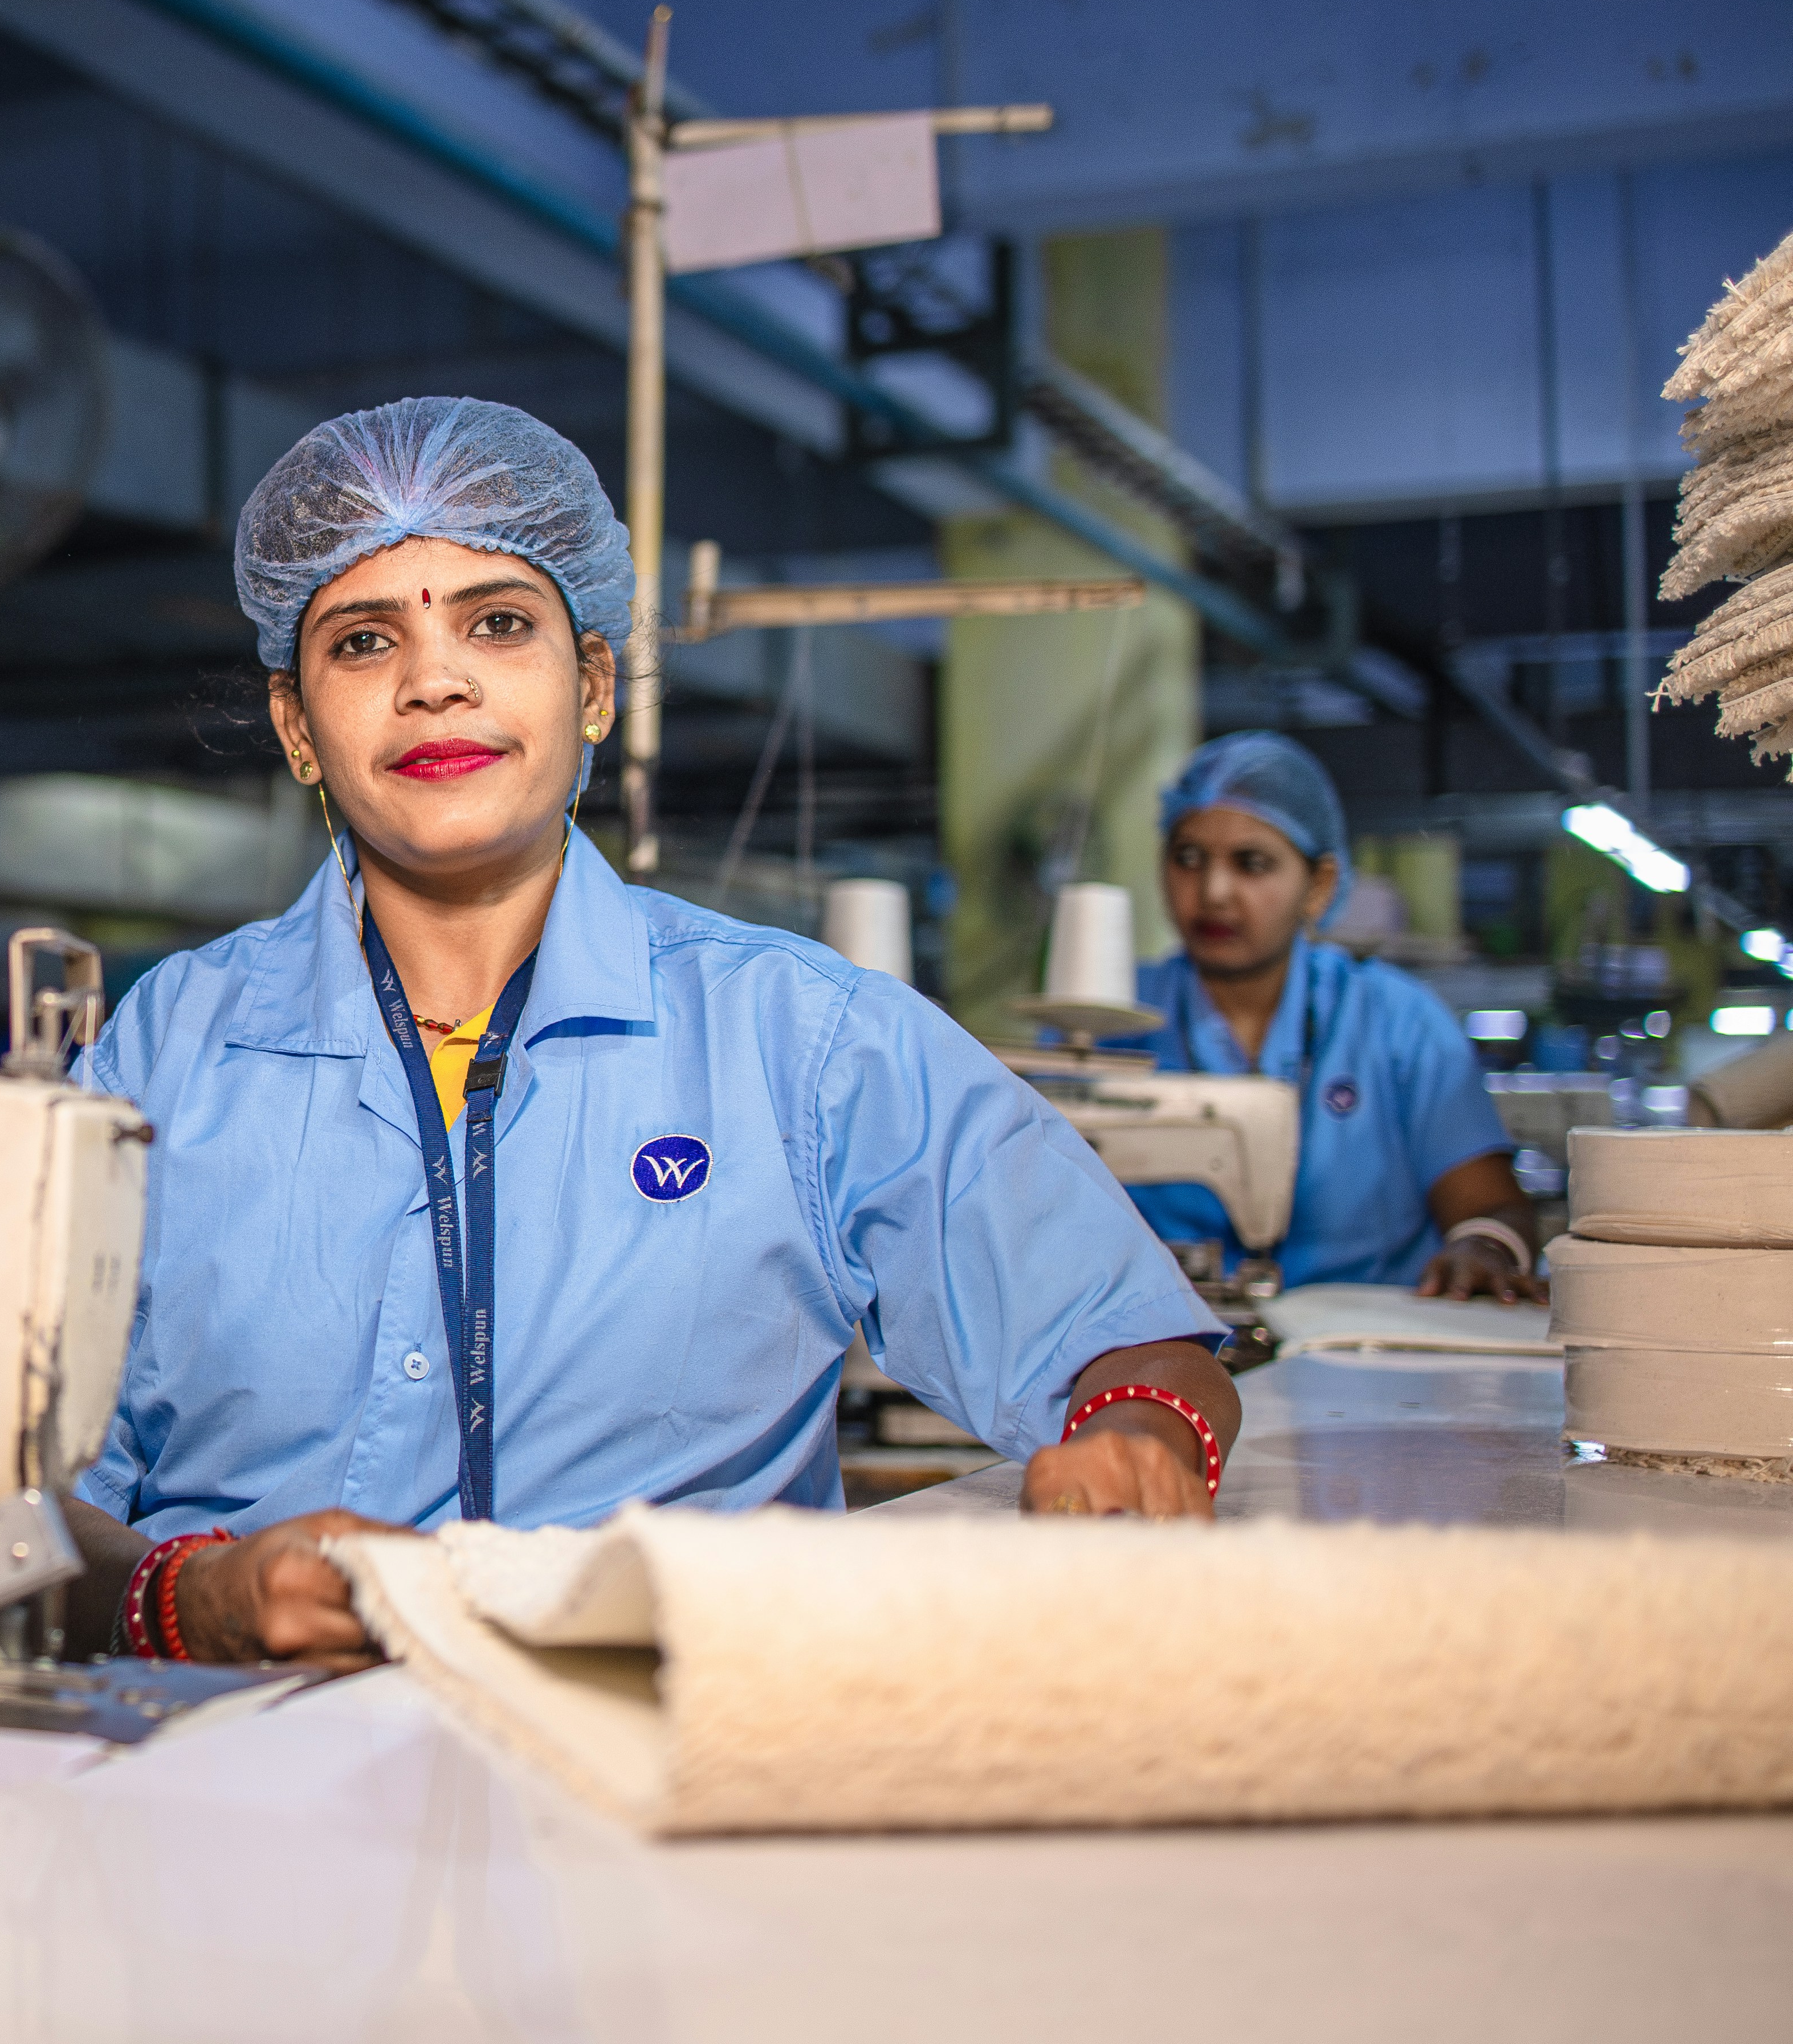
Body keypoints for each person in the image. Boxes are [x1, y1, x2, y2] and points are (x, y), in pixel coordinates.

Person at [64, 396, 1239, 1672]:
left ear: (598, 686)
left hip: (679, 1764)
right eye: (362, 641)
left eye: (500, 622)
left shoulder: (801, 1040)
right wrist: (193, 1598)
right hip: (236, 1784)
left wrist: (1141, 1432)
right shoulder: (164, 1054)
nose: (434, 678)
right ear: (298, 726)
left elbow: (1129, 1337)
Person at [1120, 732, 1535, 1303]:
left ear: (1319, 886)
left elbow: (1490, 1205)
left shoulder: (1400, 1023)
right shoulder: (1112, 1019)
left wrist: (1482, 1248)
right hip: (1167, 1351)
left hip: (1370, 1352)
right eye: (1188, 858)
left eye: (1252, 864)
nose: (1213, 892)